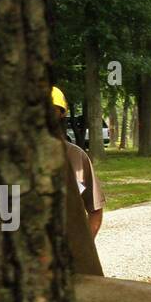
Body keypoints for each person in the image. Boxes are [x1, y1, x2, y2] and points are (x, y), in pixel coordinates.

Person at [53, 86, 105, 238]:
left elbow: (95, 210)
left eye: (52, 113)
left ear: (62, 116)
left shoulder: (76, 158)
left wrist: (84, 250)